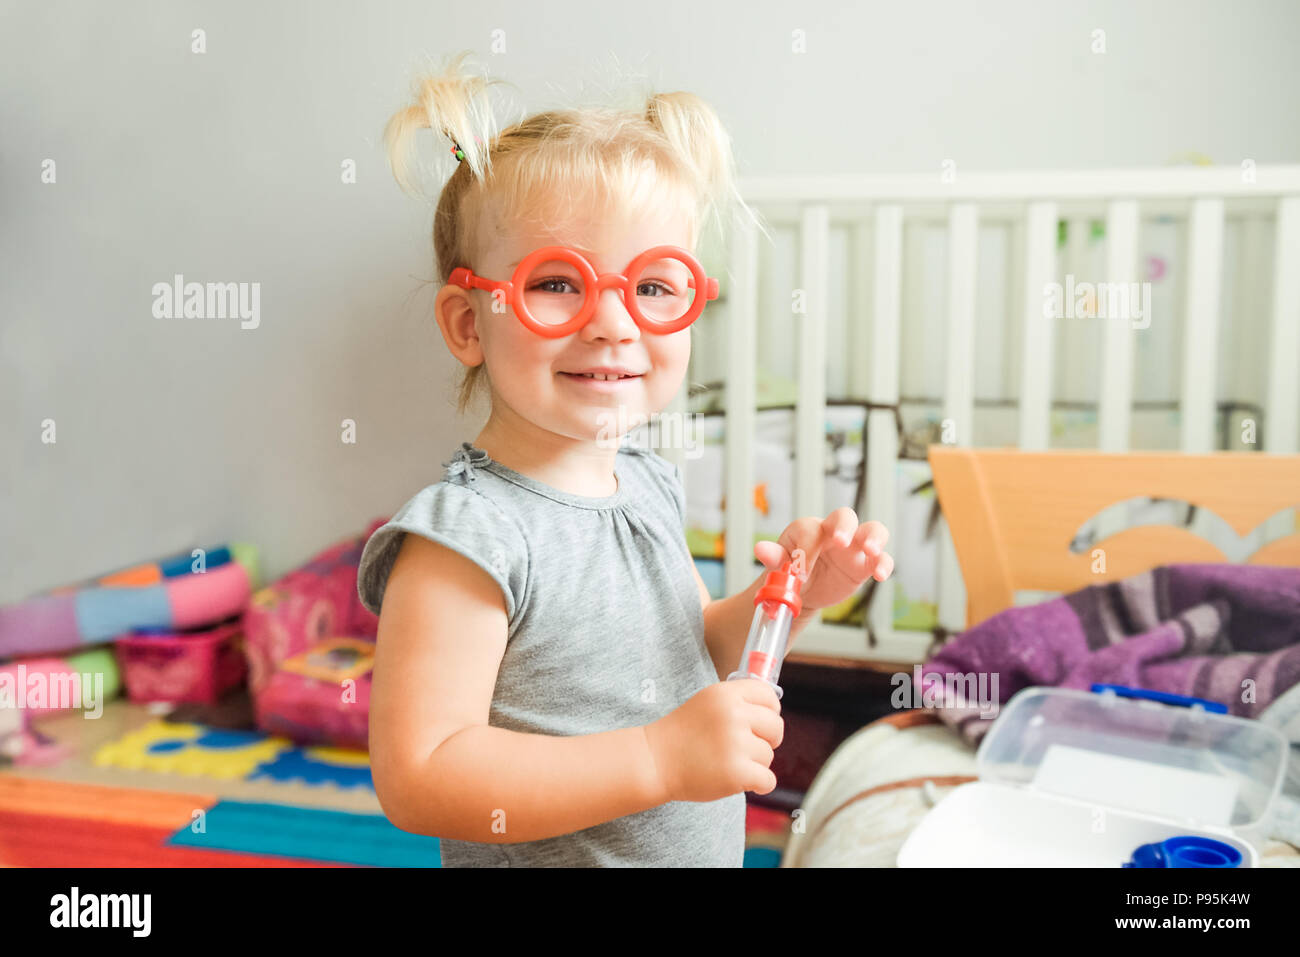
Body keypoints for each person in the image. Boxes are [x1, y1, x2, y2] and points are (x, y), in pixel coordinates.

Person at [357, 51, 894, 866]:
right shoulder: (467, 537)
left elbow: (685, 646)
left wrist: (787, 599)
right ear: (469, 323)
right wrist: (656, 758)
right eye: (558, 283)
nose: (614, 321)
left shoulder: (645, 480)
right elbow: (421, 771)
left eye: (651, 286)